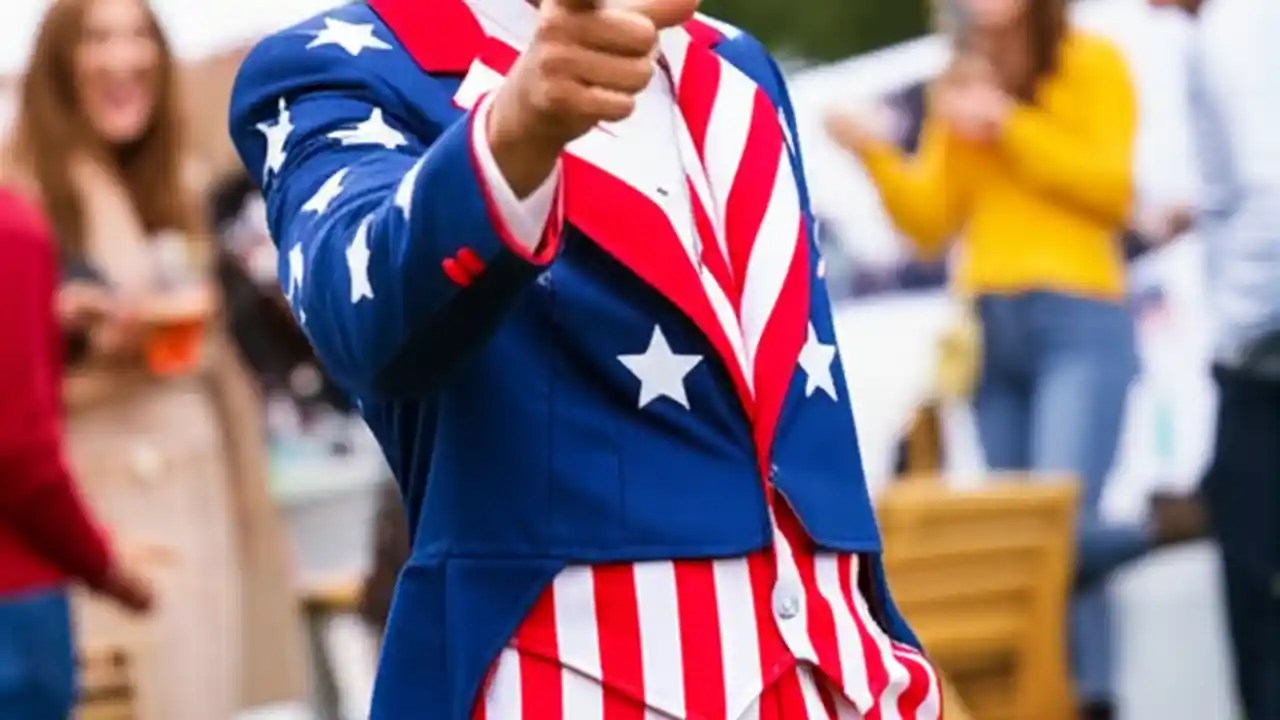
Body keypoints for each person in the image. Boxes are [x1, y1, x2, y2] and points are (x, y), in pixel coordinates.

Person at [229, 0, 944, 717]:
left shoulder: (738, 64)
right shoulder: (343, 63)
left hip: (836, 678)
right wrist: (513, 133)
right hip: (578, 684)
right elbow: (360, 320)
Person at [825, 1, 1203, 717]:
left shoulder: (1092, 64)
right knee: (1019, 538)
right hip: (988, 329)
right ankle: (1072, 696)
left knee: (1052, 528)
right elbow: (931, 223)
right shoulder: (956, 81)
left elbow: (1109, 191)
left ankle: (1162, 547)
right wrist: (871, 152)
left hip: (1079, 314)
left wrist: (1008, 125)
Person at [6, 0, 308, 716]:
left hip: (202, 497)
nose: (122, 59)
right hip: (102, 504)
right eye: (98, 40)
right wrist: (67, 330)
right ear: (57, 66)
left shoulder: (176, 180)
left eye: (139, 38)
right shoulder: (24, 199)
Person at [1143, 0, 1280, 717]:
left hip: (1262, 354)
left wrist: (1235, 328)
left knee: (1254, 587)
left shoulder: (1235, 33)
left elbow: (1271, 194)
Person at [0, 186, 154, 719]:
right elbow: (19, 453)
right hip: (15, 608)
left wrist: (39, 324)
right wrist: (104, 566)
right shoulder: (11, 229)